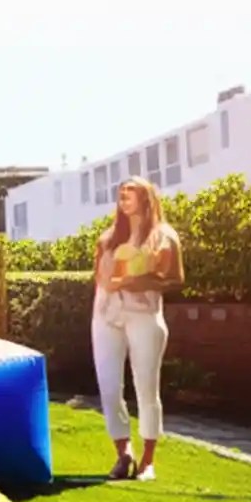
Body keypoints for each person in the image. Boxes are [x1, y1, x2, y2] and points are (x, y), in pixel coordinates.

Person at [91, 176, 185, 482]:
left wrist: (134, 281)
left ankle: (147, 461)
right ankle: (123, 454)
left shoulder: (163, 236)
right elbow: (99, 277)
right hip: (106, 314)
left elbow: (174, 279)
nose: (124, 198)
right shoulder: (108, 238)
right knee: (108, 388)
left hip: (143, 314)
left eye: (130, 193)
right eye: (121, 194)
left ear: (146, 198)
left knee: (146, 387)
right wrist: (110, 282)